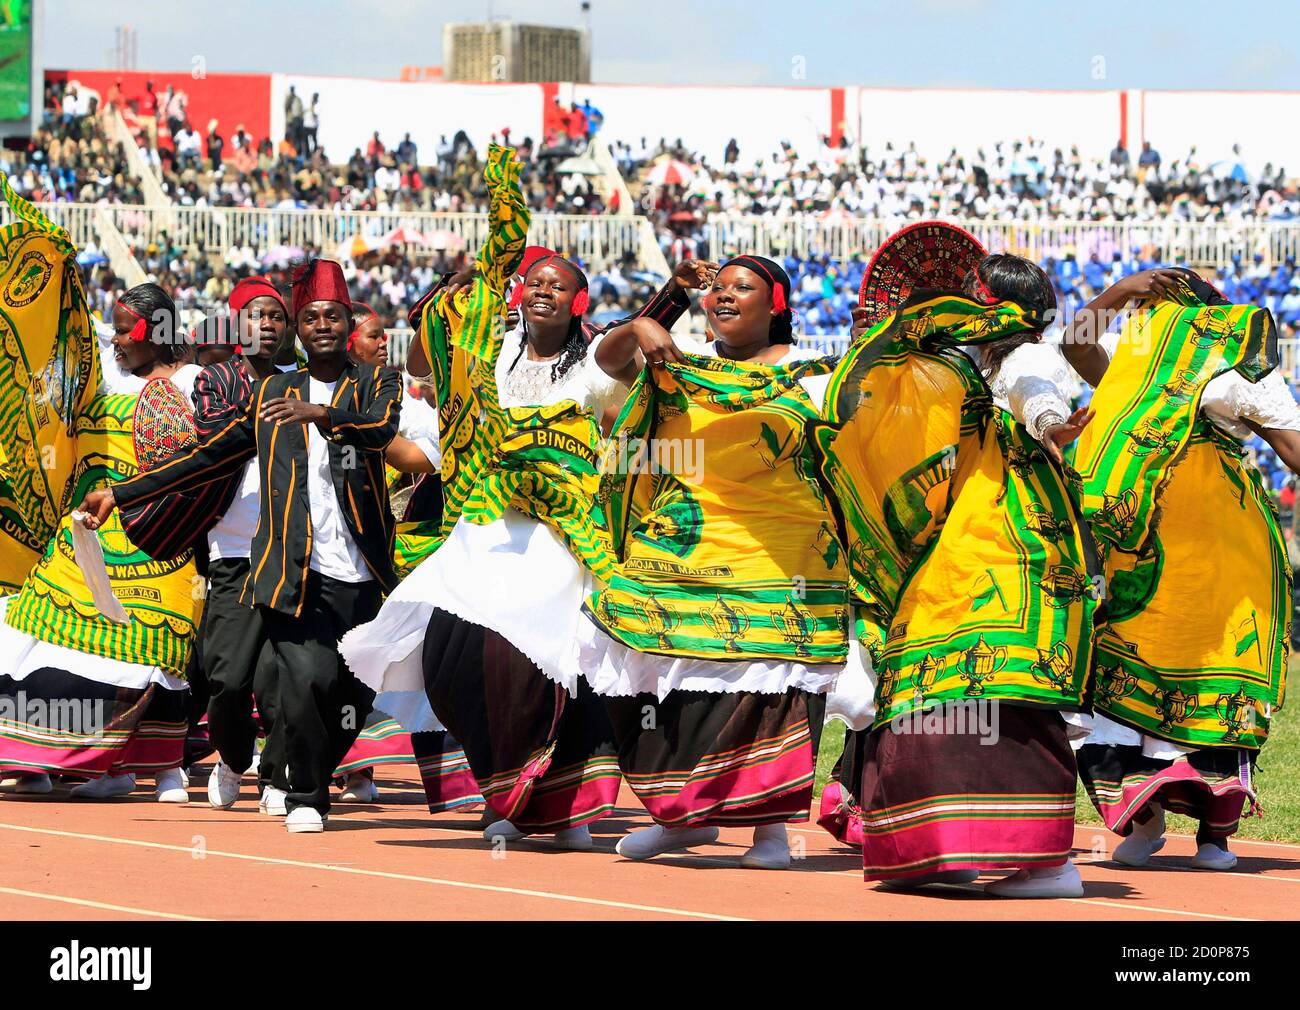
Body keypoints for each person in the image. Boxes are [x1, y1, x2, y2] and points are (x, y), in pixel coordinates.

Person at [809, 224, 1099, 896]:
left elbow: (1038, 396)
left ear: (1009, 307)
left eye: (976, 296)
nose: (963, 306)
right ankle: (942, 845)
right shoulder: (960, 371)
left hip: (1013, 539)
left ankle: (1046, 861)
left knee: (1001, 694)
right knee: (934, 686)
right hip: (961, 541)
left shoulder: (1029, 358)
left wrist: (1053, 424)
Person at [80, 259, 402, 833]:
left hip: (365, 568)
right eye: (310, 318)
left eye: (332, 316)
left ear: (346, 324)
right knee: (300, 683)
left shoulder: (377, 381)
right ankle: (303, 794)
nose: (321, 325)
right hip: (292, 569)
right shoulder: (273, 391)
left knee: (351, 693)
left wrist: (320, 414)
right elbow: (206, 458)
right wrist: (120, 492)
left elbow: (376, 430)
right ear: (300, 331)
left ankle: (300, 770)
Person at [582, 254, 852, 870]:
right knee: (650, 679)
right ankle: (679, 818)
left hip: (781, 557)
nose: (725, 296)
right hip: (678, 550)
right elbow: (608, 360)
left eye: (744, 288)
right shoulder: (679, 363)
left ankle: (770, 834)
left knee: (770, 693)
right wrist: (657, 312)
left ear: (776, 305)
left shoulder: (811, 377)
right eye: (719, 288)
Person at [1064, 268, 1295, 871]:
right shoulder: (1138, 365)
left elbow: (1294, 448)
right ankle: (1146, 822)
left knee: (1211, 674)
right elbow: (1076, 345)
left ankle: (1214, 837)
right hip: (1144, 552)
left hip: (1220, 552)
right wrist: (1119, 293)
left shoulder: (1236, 362)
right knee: (1121, 674)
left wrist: (1125, 292)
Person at [0, 254, 203, 801]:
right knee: (30, 631)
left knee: (146, 656)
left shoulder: (183, 389)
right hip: (85, 542)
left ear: (156, 335)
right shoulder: (105, 377)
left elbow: (180, 480)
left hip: (149, 550)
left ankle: (156, 768)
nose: (115, 341)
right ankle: (50, 762)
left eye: (124, 332)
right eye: (111, 330)